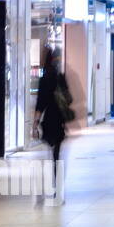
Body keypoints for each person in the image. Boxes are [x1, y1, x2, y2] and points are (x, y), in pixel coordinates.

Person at [34, 47, 73, 205]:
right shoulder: (60, 77)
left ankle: (45, 189)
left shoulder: (44, 79)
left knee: (47, 155)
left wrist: (35, 123)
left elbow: (40, 103)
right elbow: (68, 99)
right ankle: (56, 188)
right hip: (59, 120)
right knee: (57, 155)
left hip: (48, 120)